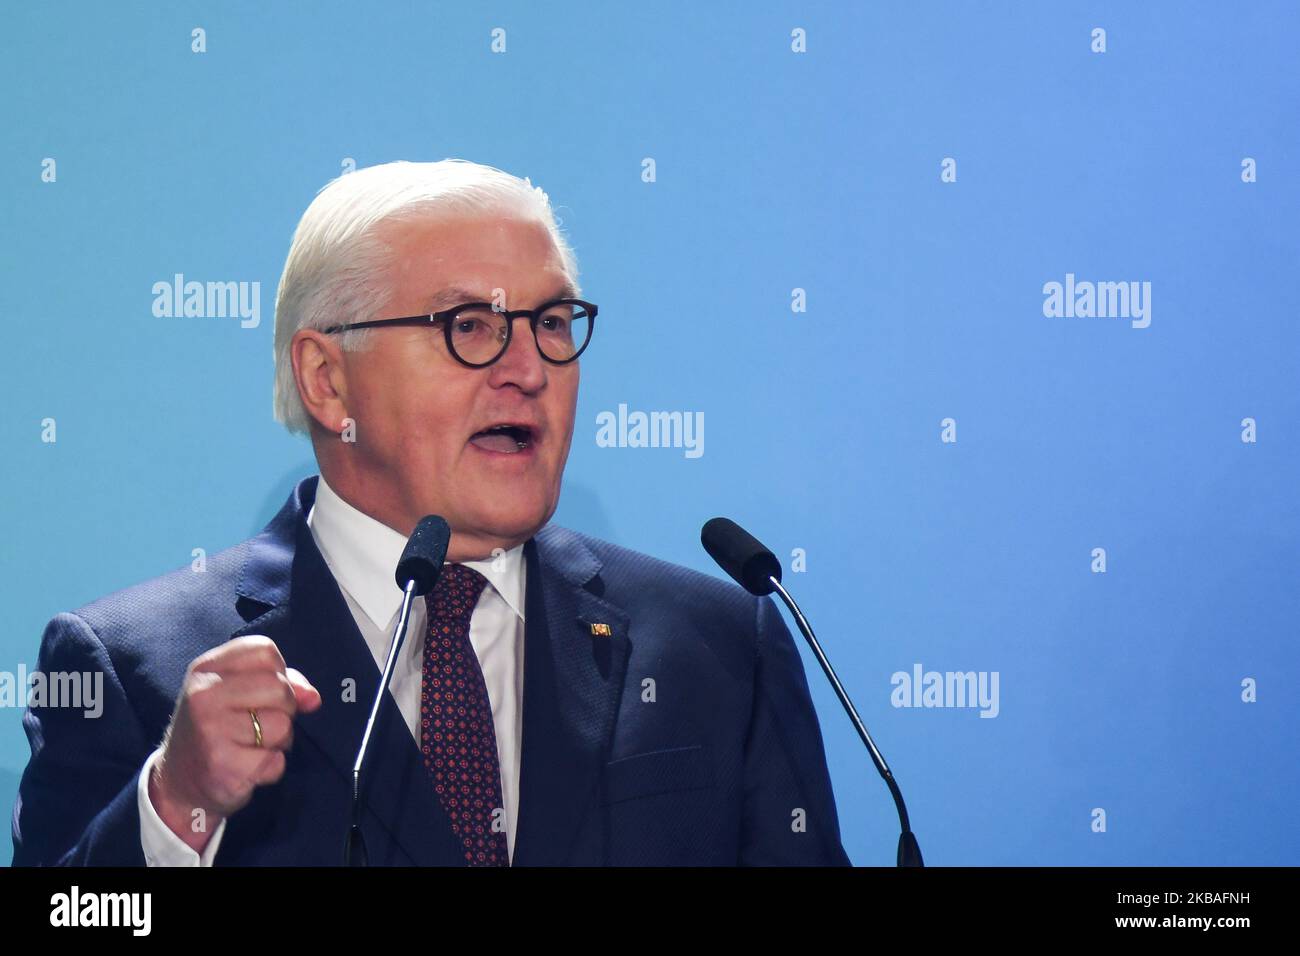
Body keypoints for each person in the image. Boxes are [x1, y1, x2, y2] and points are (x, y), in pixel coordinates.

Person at [11, 159, 851, 866]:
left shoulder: (718, 645)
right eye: (471, 325)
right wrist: (176, 807)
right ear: (328, 379)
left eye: (552, 322)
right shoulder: (130, 667)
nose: (529, 366)